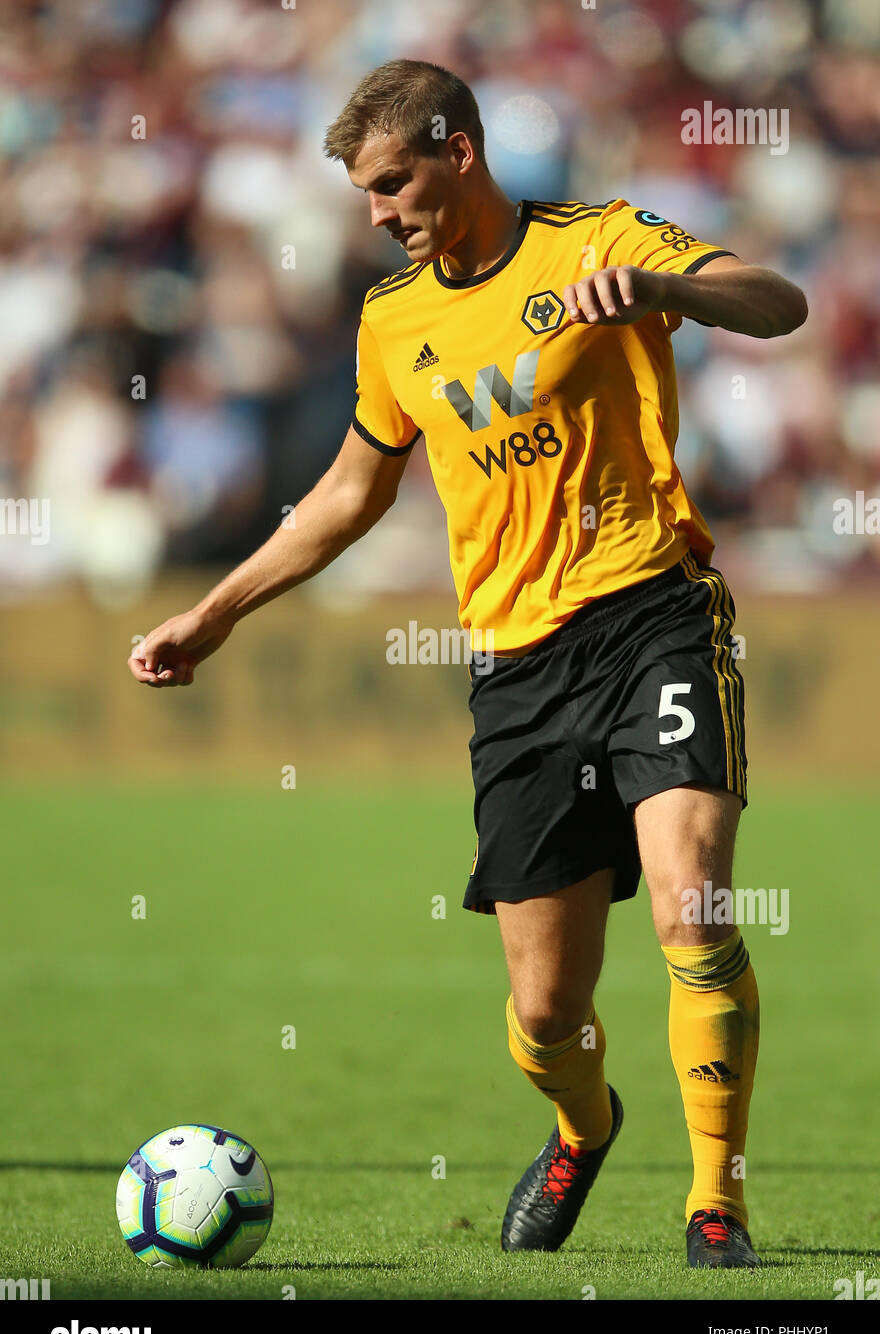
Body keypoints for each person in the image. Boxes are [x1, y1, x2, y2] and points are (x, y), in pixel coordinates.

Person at [129, 59, 808, 1268]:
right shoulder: (394, 320)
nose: (380, 212)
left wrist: (665, 289)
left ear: (460, 149)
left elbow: (776, 302)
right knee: (547, 1014)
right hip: (516, 668)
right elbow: (346, 495)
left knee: (691, 903)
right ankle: (581, 1126)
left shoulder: (598, 237)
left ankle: (718, 1205)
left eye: (393, 181)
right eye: (365, 196)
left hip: (650, 610)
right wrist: (216, 611)